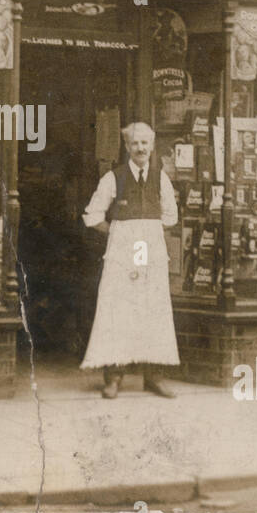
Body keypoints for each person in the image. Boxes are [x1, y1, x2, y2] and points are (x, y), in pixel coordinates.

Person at [80, 121, 181, 398]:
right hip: (122, 256)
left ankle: (154, 376)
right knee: (118, 311)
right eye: (134, 143)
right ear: (126, 147)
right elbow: (92, 216)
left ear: (152, 146)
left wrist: (145, 234)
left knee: (153, 310)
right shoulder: (113, 178)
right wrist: (120, 232)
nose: (140, 148)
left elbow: (170, 217)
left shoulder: (161, 178)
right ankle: (113, 377)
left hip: (150, 253)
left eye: (145, 143)